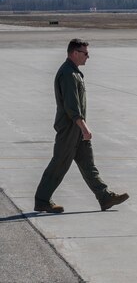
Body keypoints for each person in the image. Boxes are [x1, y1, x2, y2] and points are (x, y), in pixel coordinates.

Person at [34, 39, 130, 214]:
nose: (88, 56)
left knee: (88, 164)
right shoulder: (68, 74)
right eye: (85, 53)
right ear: (74, 53)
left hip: (77, 128)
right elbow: (72, 106)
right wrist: (83, 127)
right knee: (60, 164)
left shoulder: (74, 73)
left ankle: (104, 196)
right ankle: (42, 200)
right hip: (70, 128)